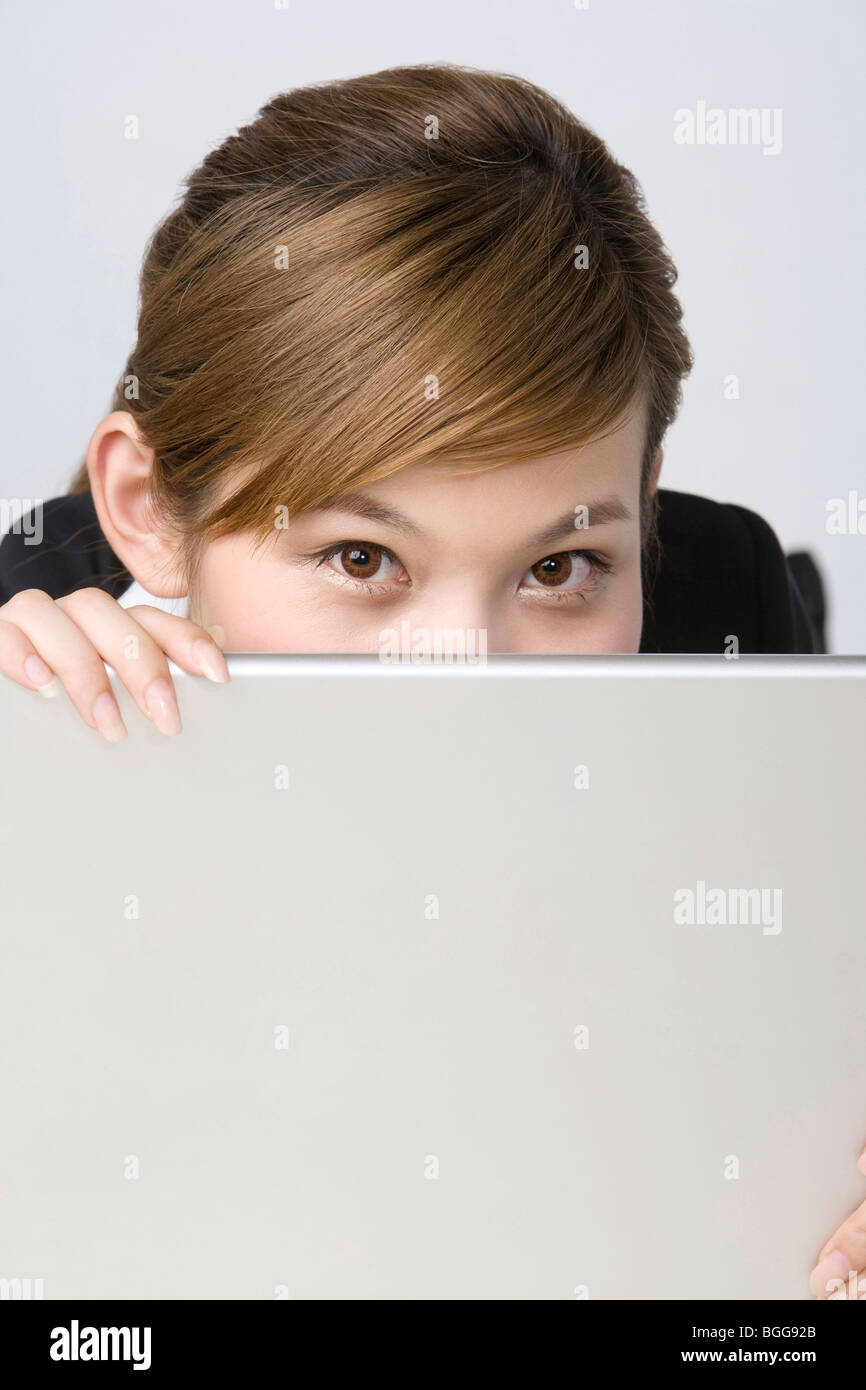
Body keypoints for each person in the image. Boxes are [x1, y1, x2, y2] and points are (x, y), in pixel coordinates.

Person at [0, 63, 852, 1296]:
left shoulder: (721, 604)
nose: (463, 674)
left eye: (561, 566)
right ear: (144, 509)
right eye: (362, 557)